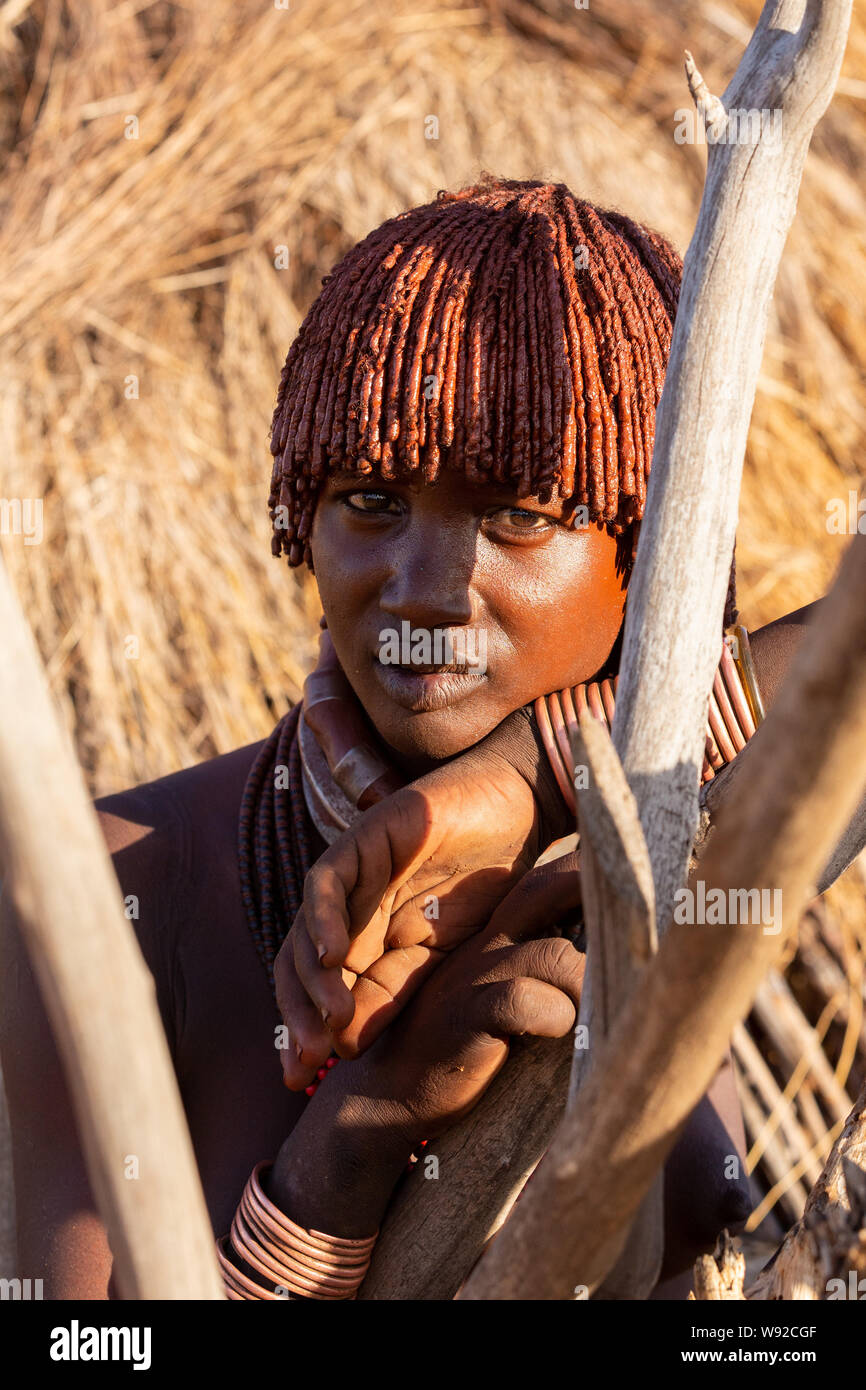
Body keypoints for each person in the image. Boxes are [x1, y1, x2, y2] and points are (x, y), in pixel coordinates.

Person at [0, 177, 816, 1300]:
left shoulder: (665, 854)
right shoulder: (113, 896)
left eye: (521, 512)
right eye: (370, 498)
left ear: (658, 551)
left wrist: (534, 774)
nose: (426, 590)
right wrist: (346, 1150)